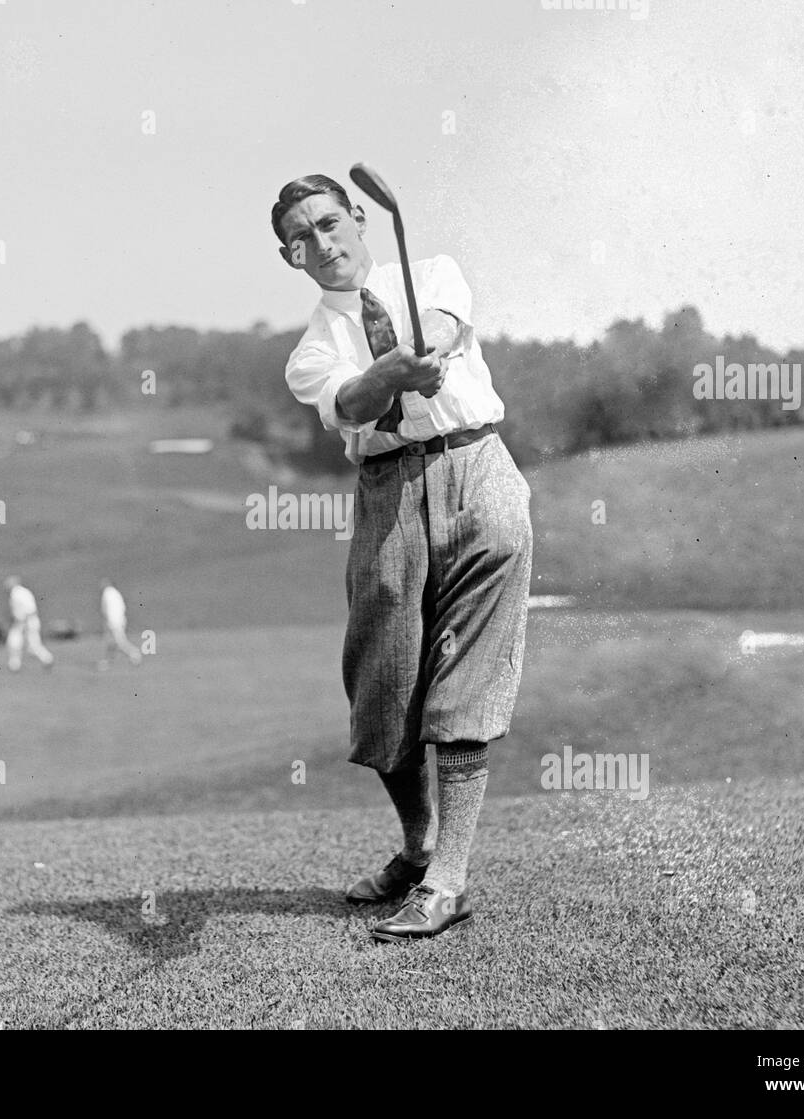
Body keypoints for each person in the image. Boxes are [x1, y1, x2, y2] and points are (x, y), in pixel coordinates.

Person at [274, 173, 533, 941]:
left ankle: (449, 881)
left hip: (478, 472)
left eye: (329, 222)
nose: (322, 243)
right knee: (382, 689)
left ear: (360, 217)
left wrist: (425, 353)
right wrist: (388, 374)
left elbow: (446, 331)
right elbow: (351, 403)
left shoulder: (434, 273)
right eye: (301, 238)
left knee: (464, 683)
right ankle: (420, 849)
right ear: (292, 258)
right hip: (388, 495)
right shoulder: (312, 350)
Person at [4, 575, 54, 672]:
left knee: (28, 644)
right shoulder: (20, 593)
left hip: (26, 622)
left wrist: (23, 622)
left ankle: (47, 659)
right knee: (15, 642)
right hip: (25, 621)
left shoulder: (18, 593)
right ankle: (15, 665)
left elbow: (30, 609)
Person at [98, 580, 142, 669]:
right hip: (119, 620)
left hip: (113, 622)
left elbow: (106, 609)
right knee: (111, 642)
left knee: (119, 642)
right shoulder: (116, 593)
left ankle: (134, 654)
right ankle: (107, 662)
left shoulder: (108, 593)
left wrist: (110, 621)